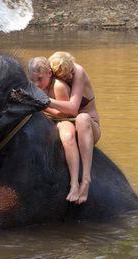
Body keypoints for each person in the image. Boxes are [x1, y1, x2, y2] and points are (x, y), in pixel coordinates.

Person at [28, 52, 100, 204]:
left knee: (82, 118)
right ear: (52, 72)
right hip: (65, 121)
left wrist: (43, 102)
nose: (68, 80)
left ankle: (86, 180)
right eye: (61, 77)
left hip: (87, 124)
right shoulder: (47, 74)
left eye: (69, 76)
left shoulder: (77, 71)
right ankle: (73, 184)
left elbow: (73, 109)